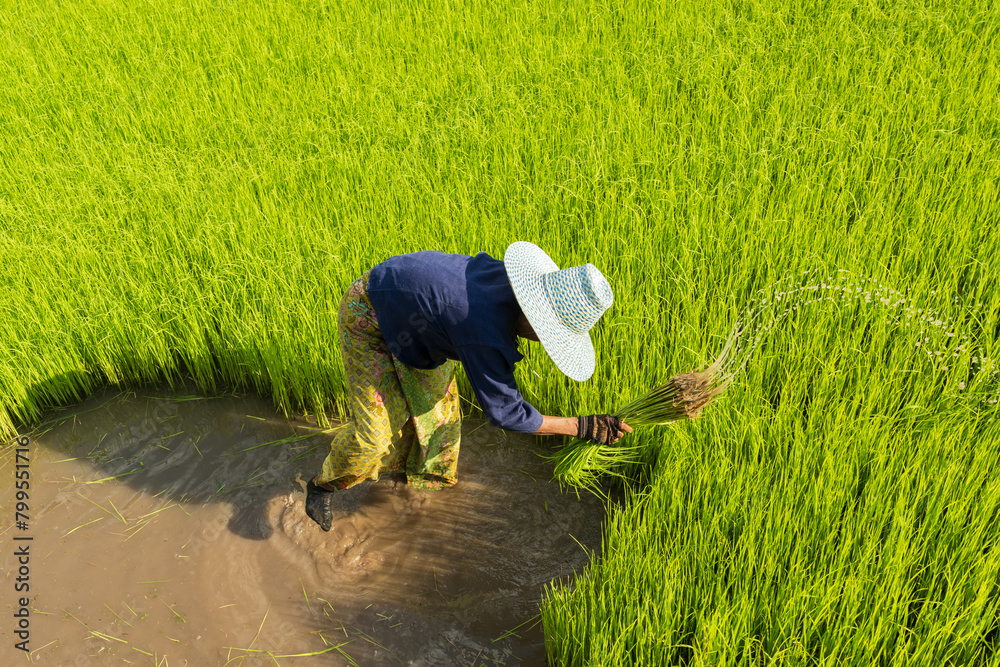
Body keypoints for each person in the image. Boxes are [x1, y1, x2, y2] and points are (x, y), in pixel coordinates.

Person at [305, 241, 632, 531]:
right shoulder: (482, 330)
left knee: (440, 422)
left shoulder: (508, 287)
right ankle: (322, 487)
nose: (545, 343)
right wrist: (579, 426)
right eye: (549, 333)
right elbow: (506, 415)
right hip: (370, 314)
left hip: (422, 327)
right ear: (533, 316)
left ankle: (412, 487)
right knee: (373, 439)